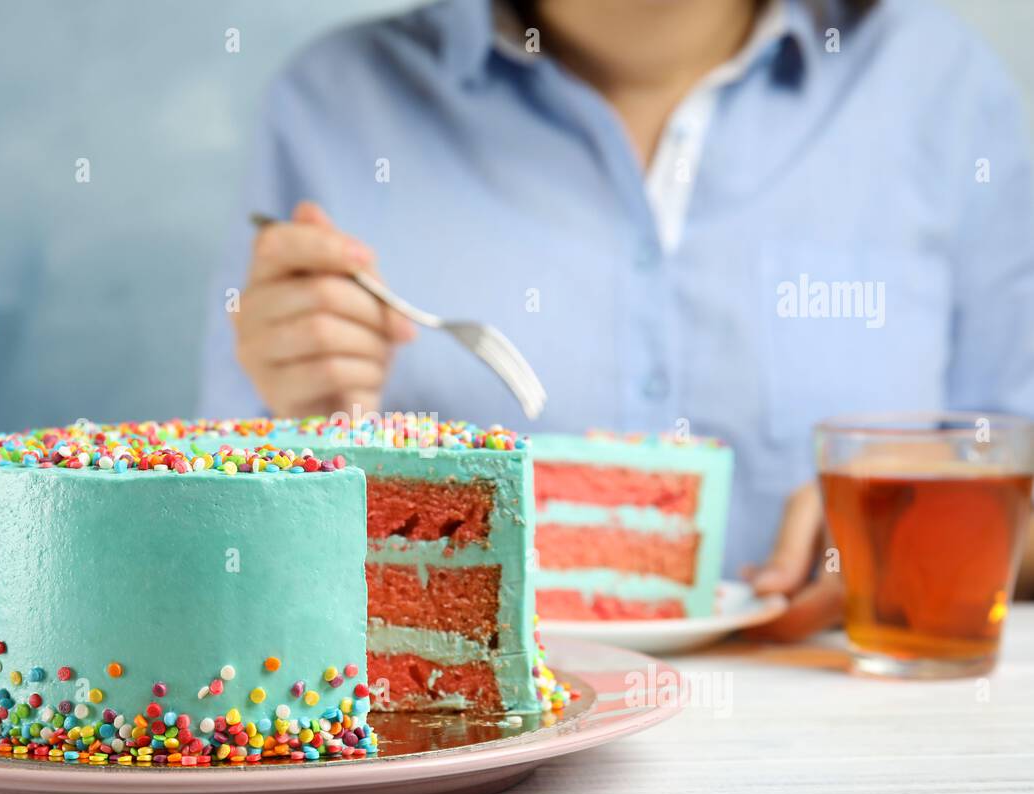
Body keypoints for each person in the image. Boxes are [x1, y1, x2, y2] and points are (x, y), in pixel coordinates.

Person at [199, 0, 1034, 639]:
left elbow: (1016, 495)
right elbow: (221, 555)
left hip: (858, 750)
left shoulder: (940, 85)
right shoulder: (335, 104)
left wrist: (910, 527)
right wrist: (295, 439)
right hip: (455, 758)